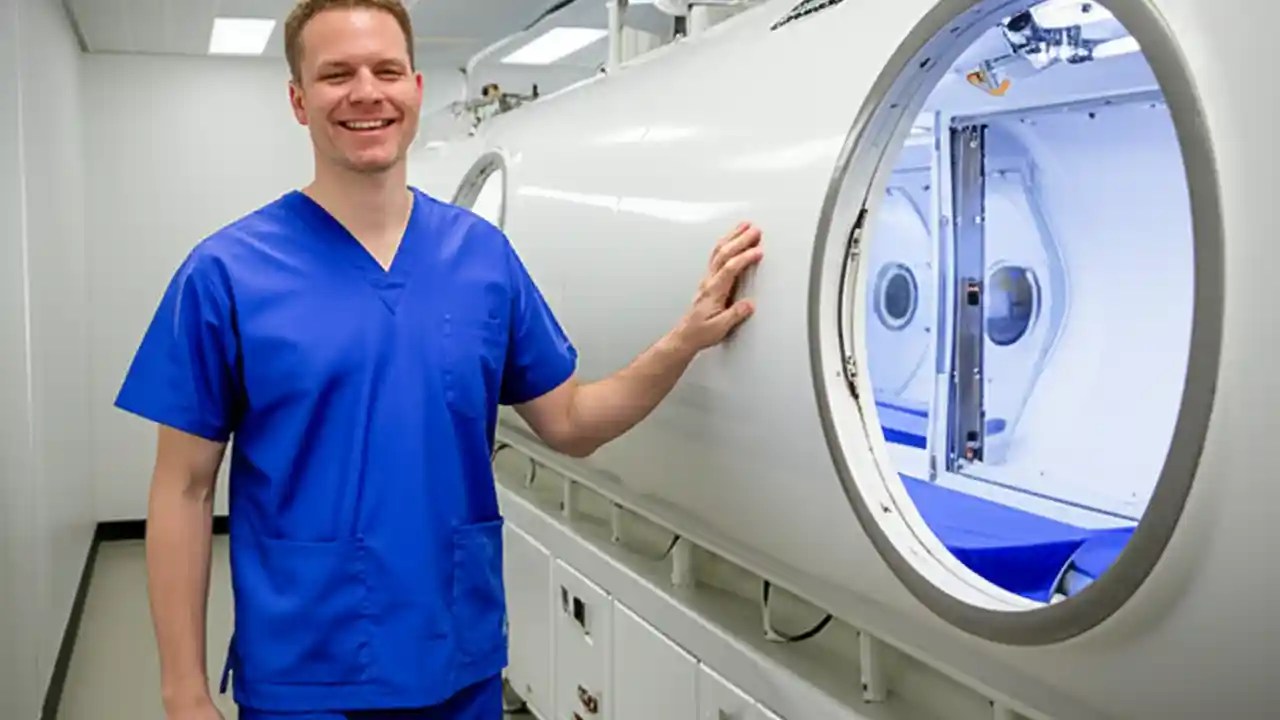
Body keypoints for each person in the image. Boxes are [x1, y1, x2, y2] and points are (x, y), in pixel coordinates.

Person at [114, 1, 763, 718]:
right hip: (304, 673)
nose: (366, 92)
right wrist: (183, 690)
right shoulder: (227, 273)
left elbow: (573, 422)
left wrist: (685, 339)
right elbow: (182, 489)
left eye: (385, 70)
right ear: (299, 100)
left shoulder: (482, 259)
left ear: (416, 90)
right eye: (336, 74)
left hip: (458, 662)